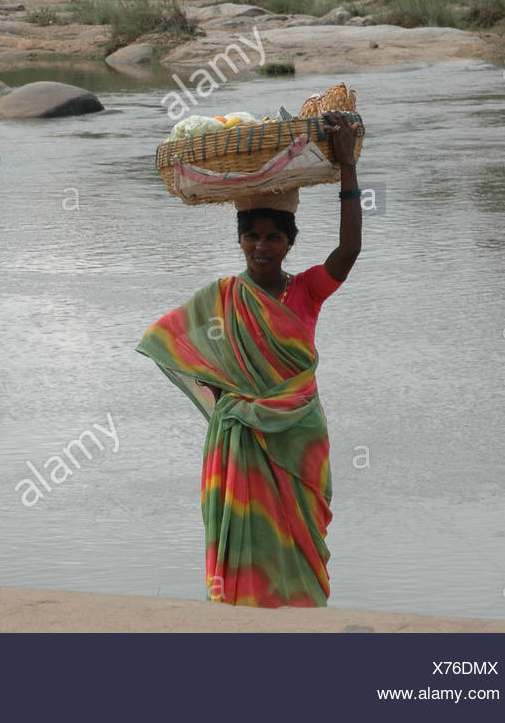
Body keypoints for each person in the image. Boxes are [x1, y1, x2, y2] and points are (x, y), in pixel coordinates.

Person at [136, 111, 361, 607]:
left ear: (289, 242)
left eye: (273, 237)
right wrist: (224, 399)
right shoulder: (221, 297)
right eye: (252, 236)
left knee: (303, 535)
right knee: (248, 530)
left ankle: (302, 615)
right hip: (241, 436)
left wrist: (347, 166)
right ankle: (244, 620)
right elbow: (167, 343)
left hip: (299, 432)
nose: (262, 246)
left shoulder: (306, 290)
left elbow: (348, 250)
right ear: (240, 239)